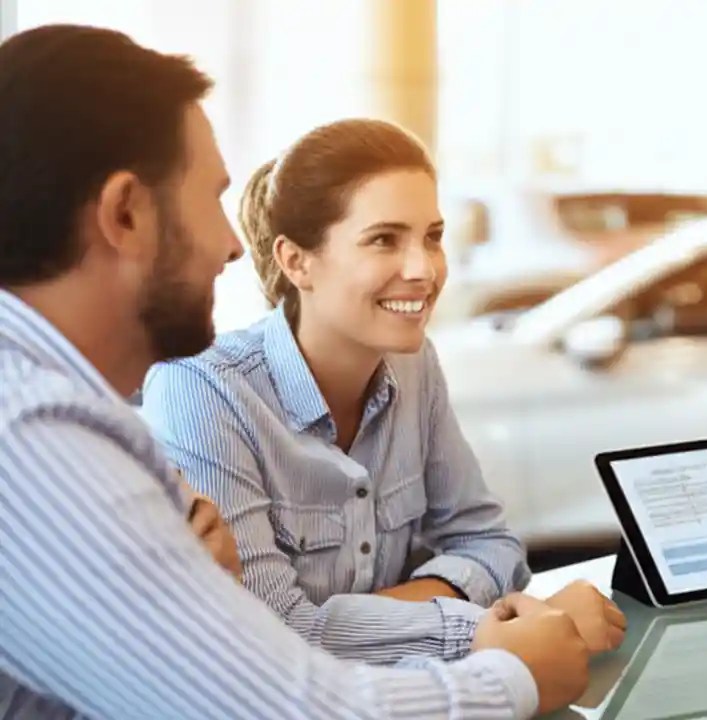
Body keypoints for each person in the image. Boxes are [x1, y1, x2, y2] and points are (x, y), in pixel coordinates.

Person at [0, 23, 593, 719]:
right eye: (210, 197)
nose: (229, 244)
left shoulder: (63, 411)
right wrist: (513, 672)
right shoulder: (31, 434)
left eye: (431, 237)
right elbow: (283, 706)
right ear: (126, 213)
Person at [139, 117, 626, 663]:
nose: (423, 269)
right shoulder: (203, 389)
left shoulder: (414, 367)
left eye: (433, 238)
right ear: (296, 261)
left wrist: (372, 618)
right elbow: (270, 632)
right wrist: (491, 626)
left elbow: (492, 544)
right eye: (383, 240)